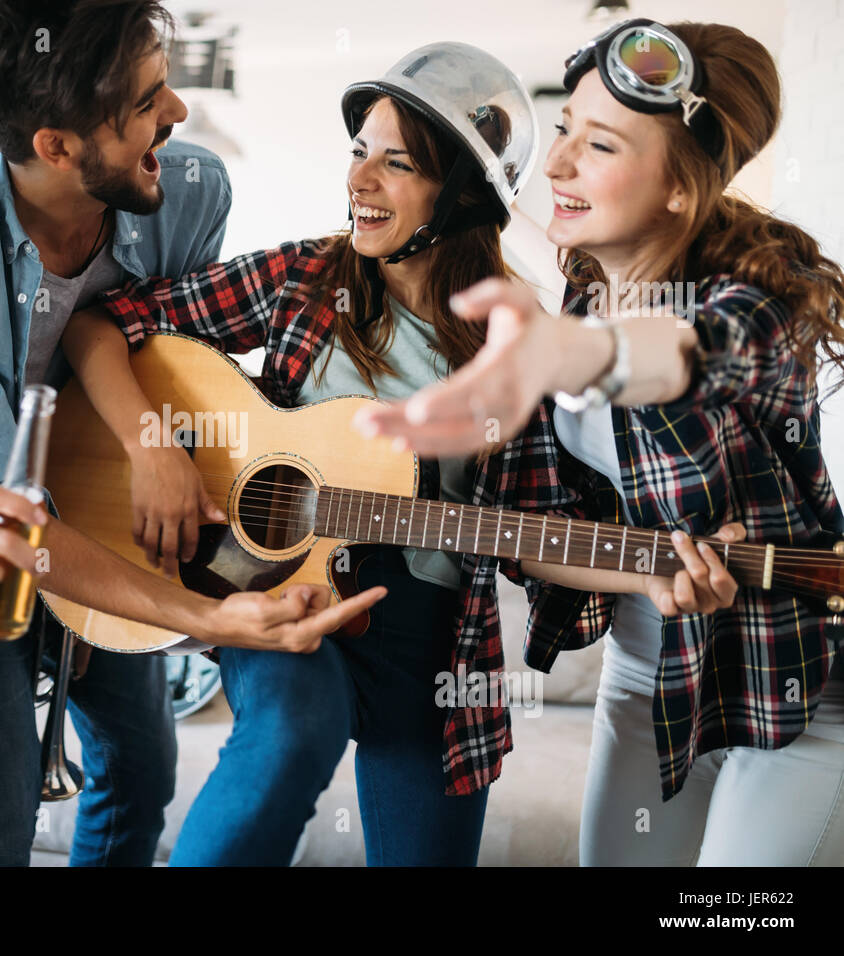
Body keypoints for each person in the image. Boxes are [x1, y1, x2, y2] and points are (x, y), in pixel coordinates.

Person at [62, 42, 740, 866]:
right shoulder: (305, 277)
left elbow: (536, 535)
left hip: (436, 655)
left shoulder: (513, 339)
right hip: (285, 606)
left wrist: (654, 569)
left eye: (397, 163)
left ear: (458, 195)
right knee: (290, 733)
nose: (359, 179)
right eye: (358, 152)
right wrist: (153, 448)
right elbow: (98, 325)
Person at [0, 0, 380, 868]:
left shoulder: (192, 188)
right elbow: (8, 522)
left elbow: (172, 357)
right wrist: (217, 617)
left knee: (140, 772)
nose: (177, 112)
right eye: (145, 102)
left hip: (110, 509)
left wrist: (150, 443)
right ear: (57, 146)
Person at [355, 20, 844, 865]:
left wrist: (582, 355)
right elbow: (538, 539)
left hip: (788, 690)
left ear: (680, 189)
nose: (556, 165)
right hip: (646, 674)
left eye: (601, 145)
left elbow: (690, 352)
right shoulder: (579, 299)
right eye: (565, 130)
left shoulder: (764, 301)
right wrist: (650, 573)